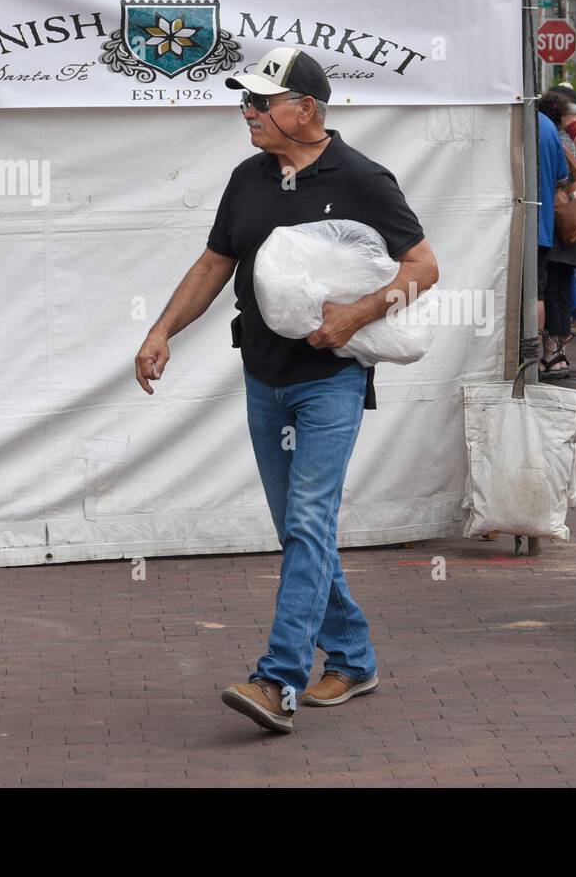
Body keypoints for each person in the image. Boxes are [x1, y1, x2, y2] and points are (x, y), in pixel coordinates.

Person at [134, 47, 438, 733]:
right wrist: (162, 331)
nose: (247, 113)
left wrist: (358, 316)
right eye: (244, 101)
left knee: (307, 524)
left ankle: (278, 681)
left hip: (329, 380)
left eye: (259, 102)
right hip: (263, 376)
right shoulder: (248, 178)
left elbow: (424, 267)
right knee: (298, 529)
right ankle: (354, 658)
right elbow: (216, 261)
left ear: (306, 109)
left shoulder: (362, 177)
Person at [537, 92, 576, 379]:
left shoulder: (551, 135)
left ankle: (550, 352)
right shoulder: (558, 136)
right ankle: (556, 353)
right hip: (565, 227)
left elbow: (562, 179)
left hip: (557, 228)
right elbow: (564, 177)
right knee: (558, 291)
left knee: (548, 291)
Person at [535, 95, 572, 378]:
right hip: (544, 226)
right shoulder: (548, 127)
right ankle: (542, 355)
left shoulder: (514, 123)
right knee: (540, 292)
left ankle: (531, 357)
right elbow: (563, 176)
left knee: (535, 294)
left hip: (516, 225)